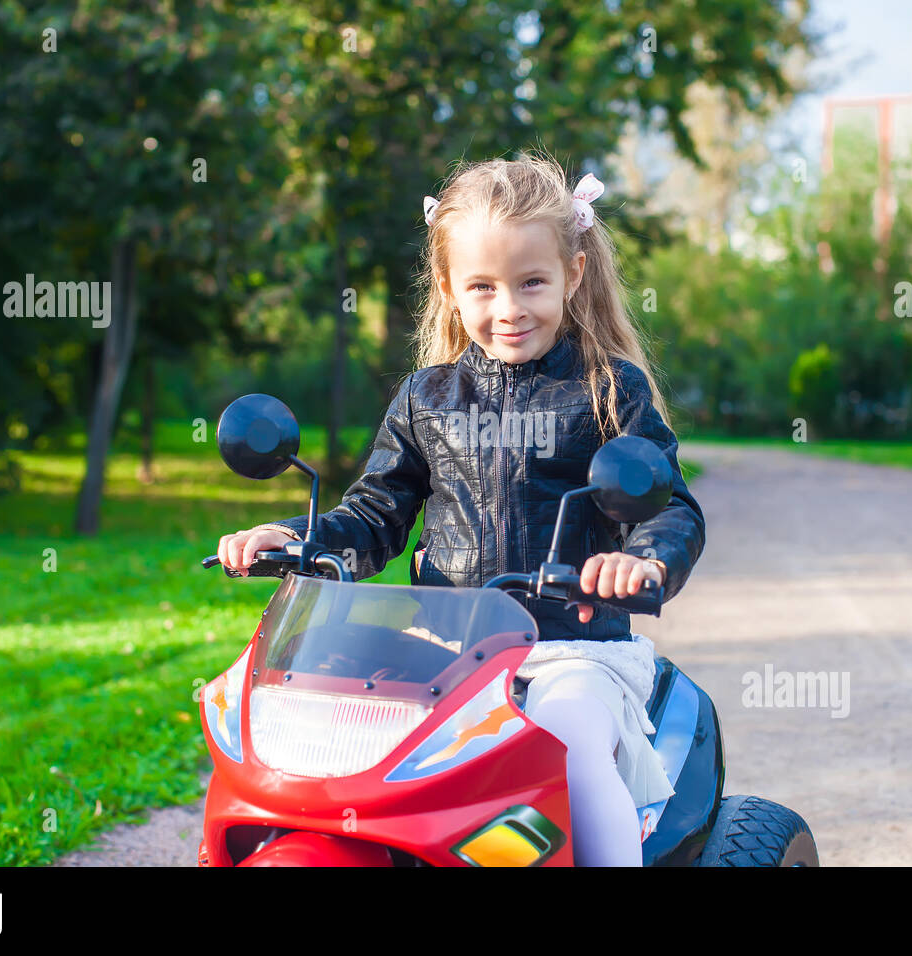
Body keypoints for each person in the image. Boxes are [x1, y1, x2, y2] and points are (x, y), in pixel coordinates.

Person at [216, 149, 705, 866]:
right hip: (445, 656)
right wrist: (294, 538)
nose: (509, 309)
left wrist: (639, 560)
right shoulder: (426, 399)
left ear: (572, 275)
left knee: (567, 745)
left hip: (572, 650)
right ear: (448, 287)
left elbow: (670, 507)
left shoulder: (609, 390)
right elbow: (375, 512)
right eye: (483, 286)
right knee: (335, 746)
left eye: (531, 282)